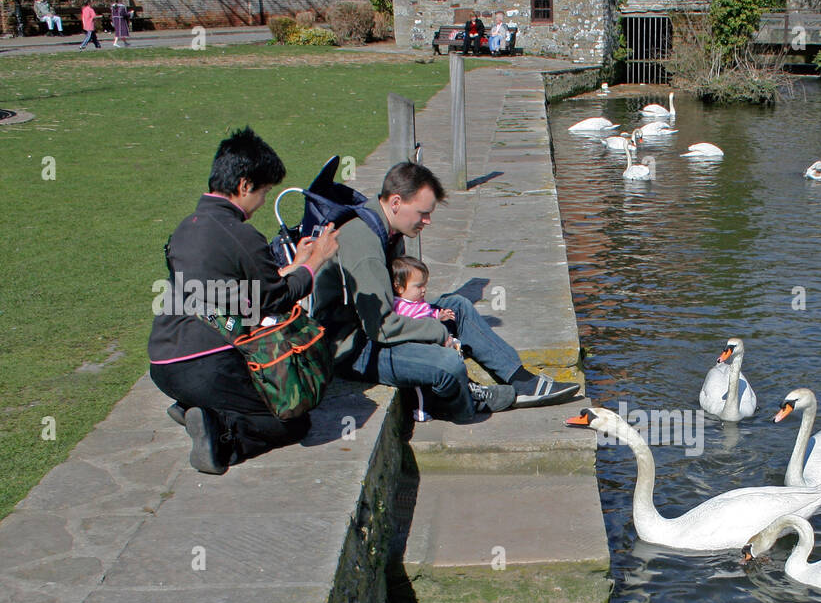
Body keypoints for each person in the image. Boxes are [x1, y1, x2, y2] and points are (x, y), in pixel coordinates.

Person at [315, 161, 580, 424]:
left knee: (458, 307)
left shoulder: (388, 229)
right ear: (396, 202)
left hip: (372, 329)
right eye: (423, 213)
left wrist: (433, 320)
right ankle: (463, 401)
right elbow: (381, 327)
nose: (427, 221)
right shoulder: (365, 244)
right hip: (353, 349)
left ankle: (522, 381)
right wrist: (438, 331)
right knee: (447, 364)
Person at [150, 127, 340, 474]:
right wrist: (315, 263)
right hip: (205, 365)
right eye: (264, 192)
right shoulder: (239, 233)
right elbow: (275, 300)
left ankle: (193, 406)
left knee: (255, 401)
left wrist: (295, 265)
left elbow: (243, 294)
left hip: (164, 366)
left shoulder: (186, 228)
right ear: (244, 185)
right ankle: (224, 436)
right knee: (293, 422)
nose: (264, 202)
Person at [390, 255, 463, 422]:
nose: (423, 290)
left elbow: (428, 312)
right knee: (422, 388)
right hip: (419, 349)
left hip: (432, 343)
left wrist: (439, 315)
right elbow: (415, 324)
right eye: (418, 286)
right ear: (399, 287)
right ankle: (421, 411)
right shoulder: (401, 307)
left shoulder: (416, 302)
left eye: (425, 285)